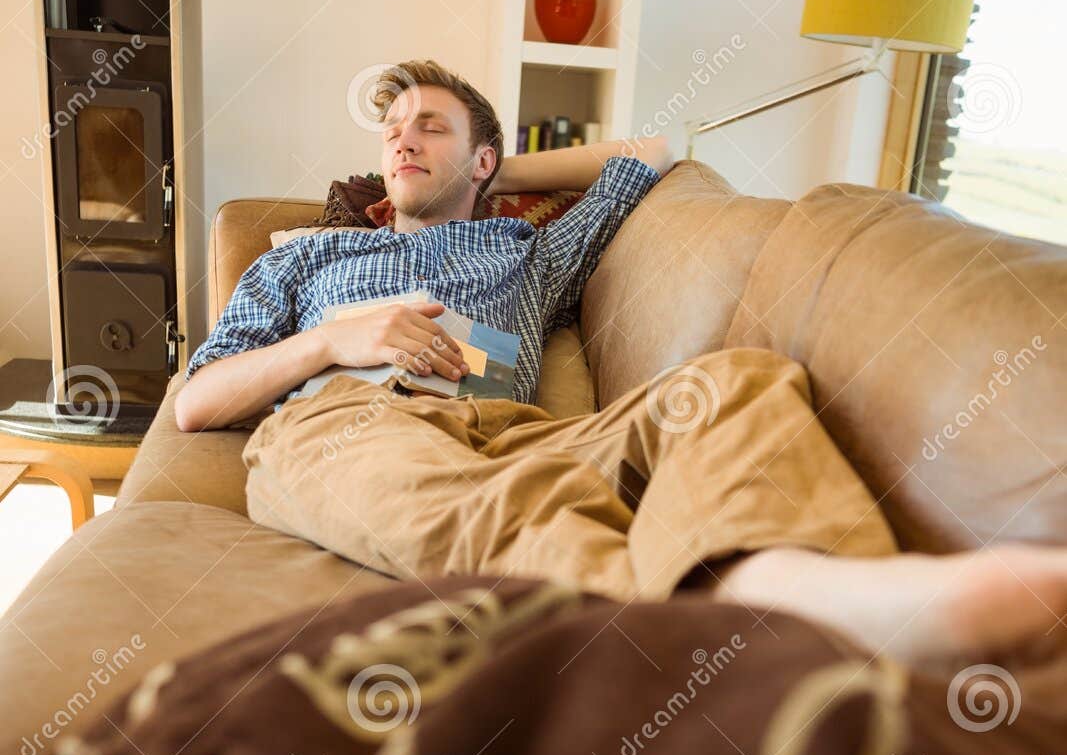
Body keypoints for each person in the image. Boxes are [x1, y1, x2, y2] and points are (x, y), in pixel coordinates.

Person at [177, 59, 1067, 669]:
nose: (402, 142)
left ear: (483, 159)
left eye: (432, 129)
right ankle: (778, 633)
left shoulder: (531, 250)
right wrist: (334, 340)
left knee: (738, 383)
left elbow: (649, 153)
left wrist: (488, 175)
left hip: (513, 432)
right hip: (349, 424)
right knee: (473, 501)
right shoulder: (304, 260)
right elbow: (197, 404)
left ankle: (776, 582)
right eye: (392, 133)